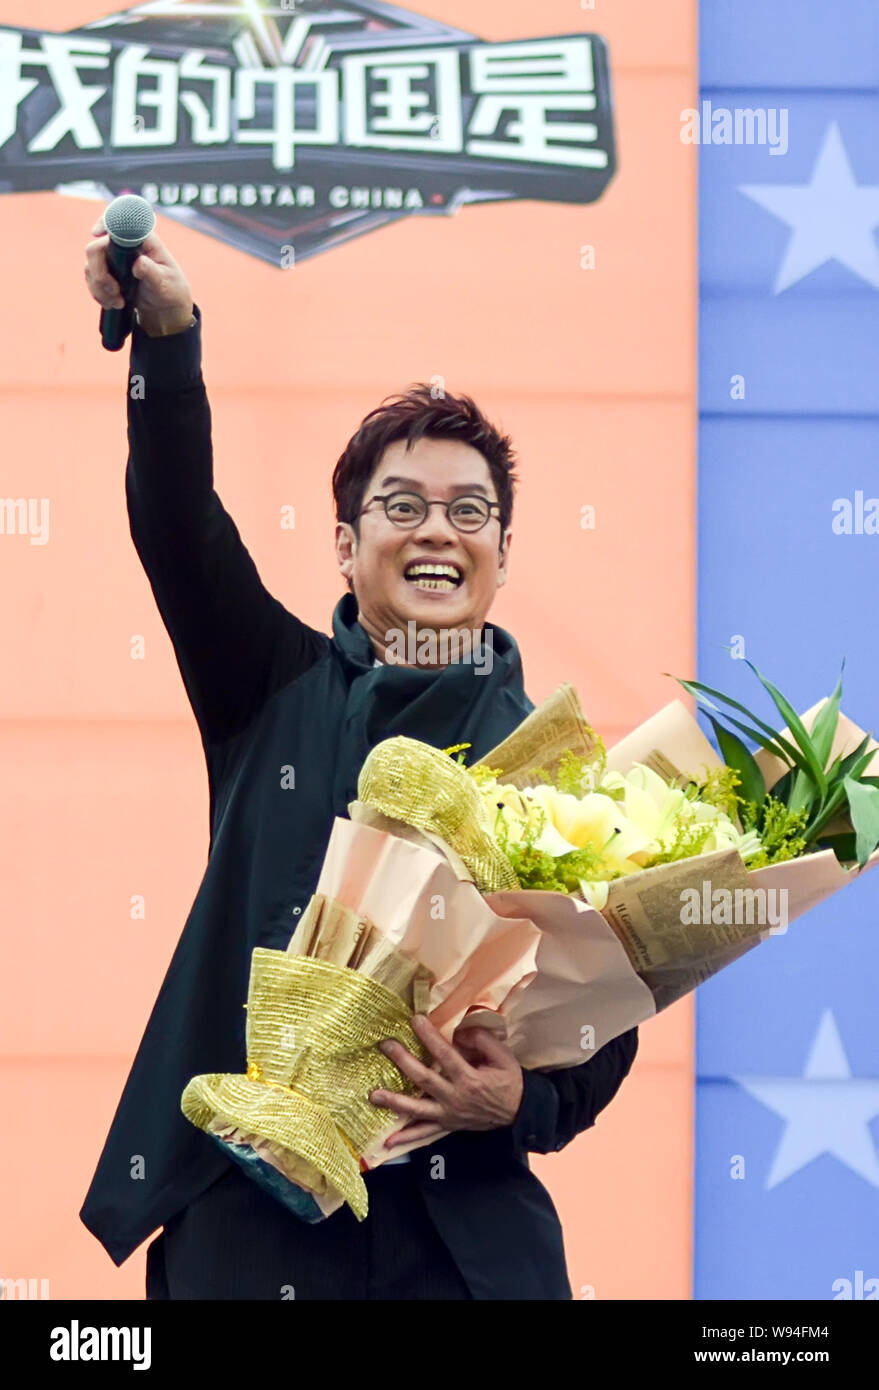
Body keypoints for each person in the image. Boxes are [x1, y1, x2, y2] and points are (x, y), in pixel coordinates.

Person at [79, 219, 639, 1300]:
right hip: (251, 1230)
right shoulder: (269, 686)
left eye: (469, 510)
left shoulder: (563, 779)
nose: (439, 530)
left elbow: (604, 1018)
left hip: (466, 1241)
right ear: (345, 543)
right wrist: (168, 343)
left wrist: (515, 1101)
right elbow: (175, 519)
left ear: (504, 554)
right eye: (402, 506)